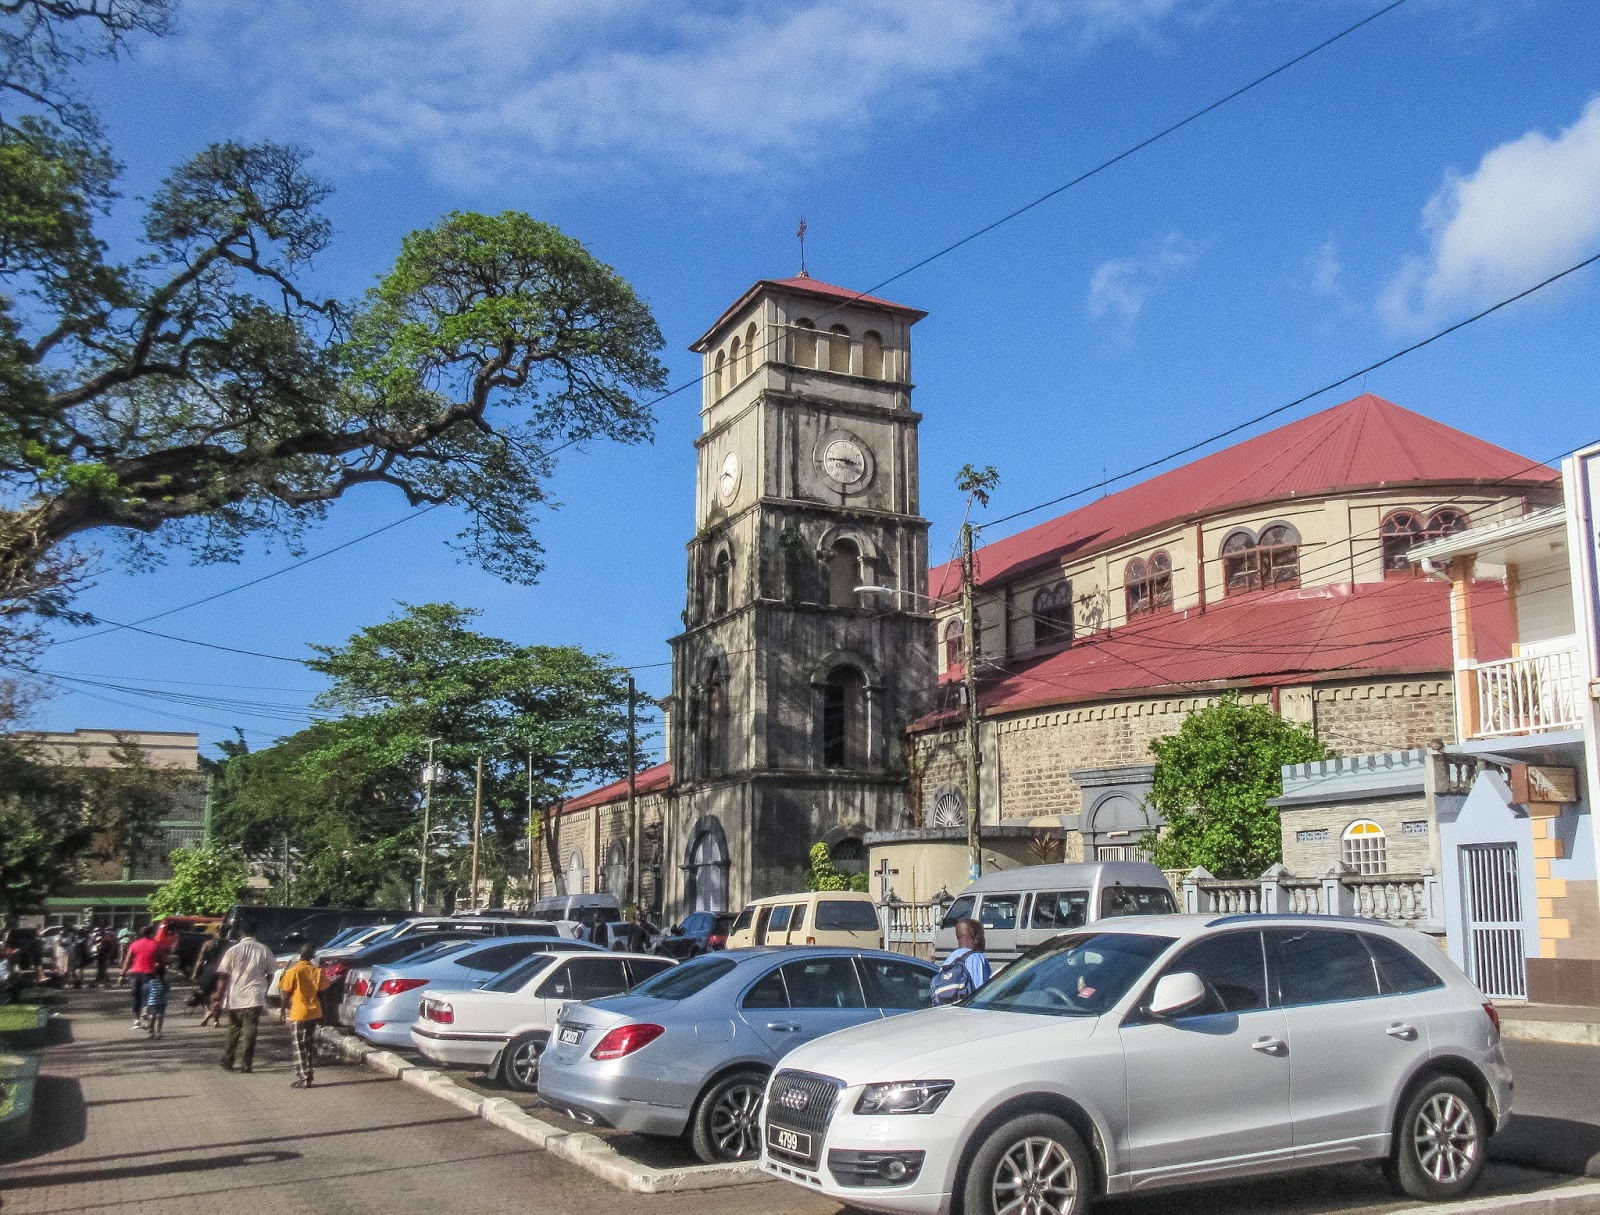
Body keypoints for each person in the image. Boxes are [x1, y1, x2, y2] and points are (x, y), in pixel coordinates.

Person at [215, 921, 275, 1073]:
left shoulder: (233, 950)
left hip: (235, 995)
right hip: (254, 996)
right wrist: (264, 988)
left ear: (242, 934)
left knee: (233, 1029)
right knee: (250, 1031)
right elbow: (271, 972)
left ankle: (227, 1061)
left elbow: (224, 975)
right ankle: (246, 1064)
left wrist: (219, 994)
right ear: (256, 933)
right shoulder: (264, 950)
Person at [278, 943, 329, 1088]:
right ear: (312, 955)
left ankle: (303, 1077)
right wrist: (324, 1014)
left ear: (299, 954)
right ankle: (309, 1073)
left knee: (299, 1047)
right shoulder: (317, 971)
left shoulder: (293, 971)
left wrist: (283, 1010)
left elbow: (285, 993)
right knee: (309, 1045)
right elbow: (323, 994)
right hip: (314, 1012)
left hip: (299, 1013)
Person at [931, 918, 993, 1005]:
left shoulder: (949, 961)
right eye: (982, 935)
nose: (984, 940)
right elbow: (981, 996)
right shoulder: (976, 958)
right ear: (975, 935)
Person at [118, 926, 163, 1030]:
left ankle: (136, 1020)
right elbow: (161, 961)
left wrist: (122, 975)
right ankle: (147, 1015)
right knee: (149, 997)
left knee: (136, 997)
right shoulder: (156, 944)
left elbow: (127, 961)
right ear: (151, 934)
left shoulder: (134, 945)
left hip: (135, 973)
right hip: (150, 974)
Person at [143, 960, 169, 1039]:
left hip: (154, 1001)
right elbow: (167, 990)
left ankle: (153, 1031)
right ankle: (156, 1032)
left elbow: (146, 990)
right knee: (159, 1016)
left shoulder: (150, 982)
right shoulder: (164, 982)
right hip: (161, 1001)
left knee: (153, 1016)